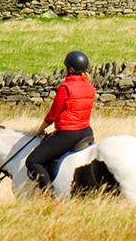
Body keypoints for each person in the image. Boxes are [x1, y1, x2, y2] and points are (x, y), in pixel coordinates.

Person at [25, 51, 96, 193]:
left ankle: (49, 193)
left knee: (33, 161)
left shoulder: (65, 88)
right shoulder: (89, 86)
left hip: (68, 135)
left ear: (70, 69)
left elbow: (52, 115)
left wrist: (39, 129)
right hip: (86, 131)